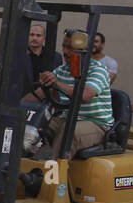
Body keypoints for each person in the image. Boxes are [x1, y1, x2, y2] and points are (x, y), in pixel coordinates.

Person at [36, 30, 114, 158]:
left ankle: (53, 173)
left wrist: (57, 84)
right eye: (64, 47)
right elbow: (38, 95)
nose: (65, 52)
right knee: (35, 125)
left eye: (70, 48)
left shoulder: (97, 70)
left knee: (68, 131)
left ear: (84, 51)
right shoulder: (63, 69)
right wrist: (17, 106)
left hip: (96, 124)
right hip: (67, 119)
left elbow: (85, 96)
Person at [22, 22, 62, 98]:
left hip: (47, 99)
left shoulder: (55, 57)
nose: (34, 38)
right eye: (32, 35)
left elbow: (58, 79)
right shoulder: (19, 55)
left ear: (44, 38)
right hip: (23, 99)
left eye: (38, 35)